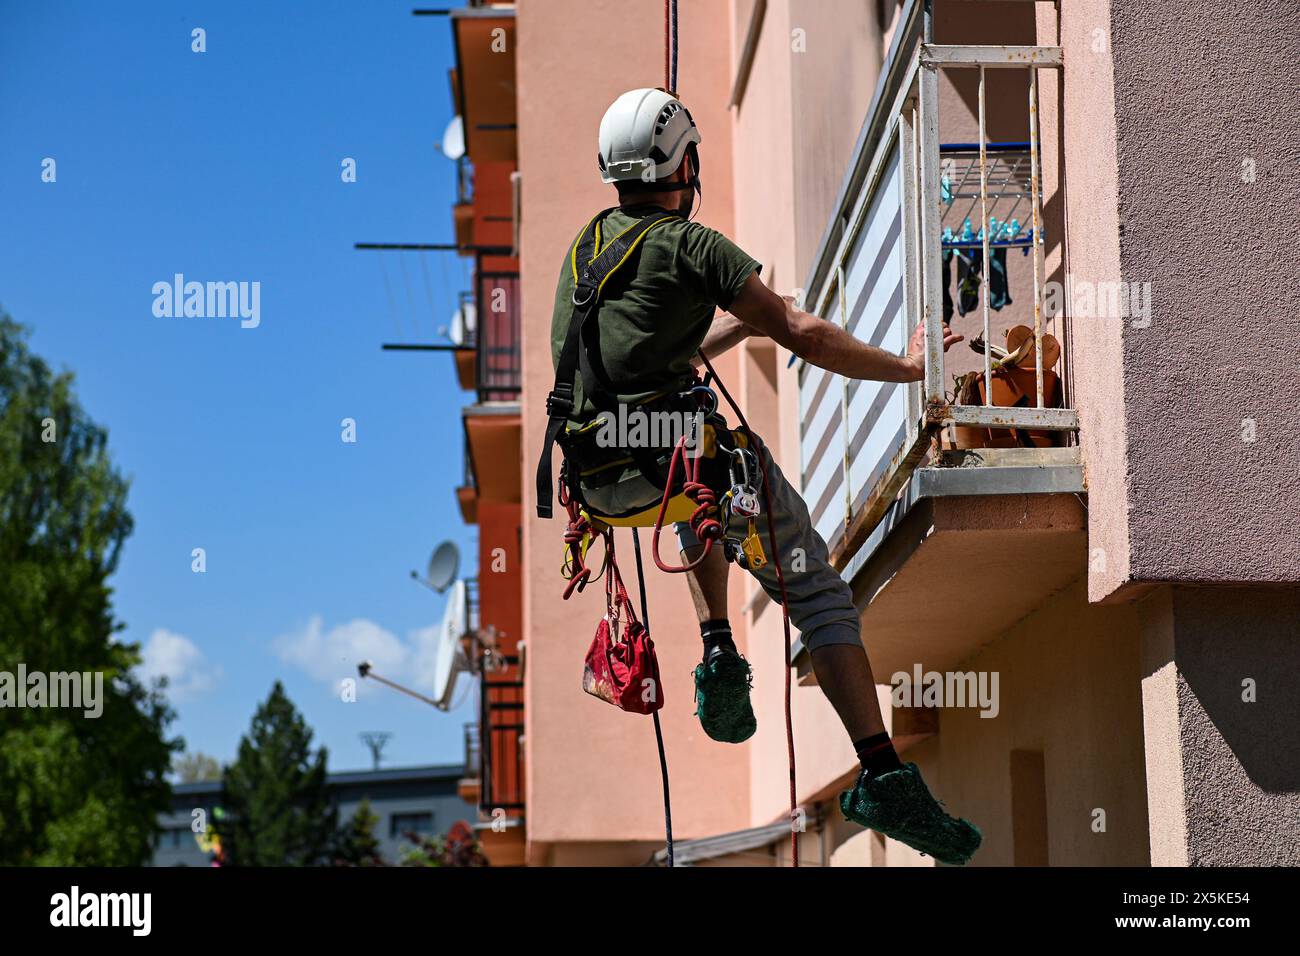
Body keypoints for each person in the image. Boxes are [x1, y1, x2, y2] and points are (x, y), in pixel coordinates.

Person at [546, 88, 981, 865]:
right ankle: (882, 771)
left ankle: (718, 645)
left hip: (601, 478)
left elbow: (644, 359)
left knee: (689, 459)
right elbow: (804, 334)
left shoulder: (585, 250)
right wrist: (911, 366)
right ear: (685, 161)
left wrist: (733, 323)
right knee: (817, 591)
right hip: (670, 462)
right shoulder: (692, 245)